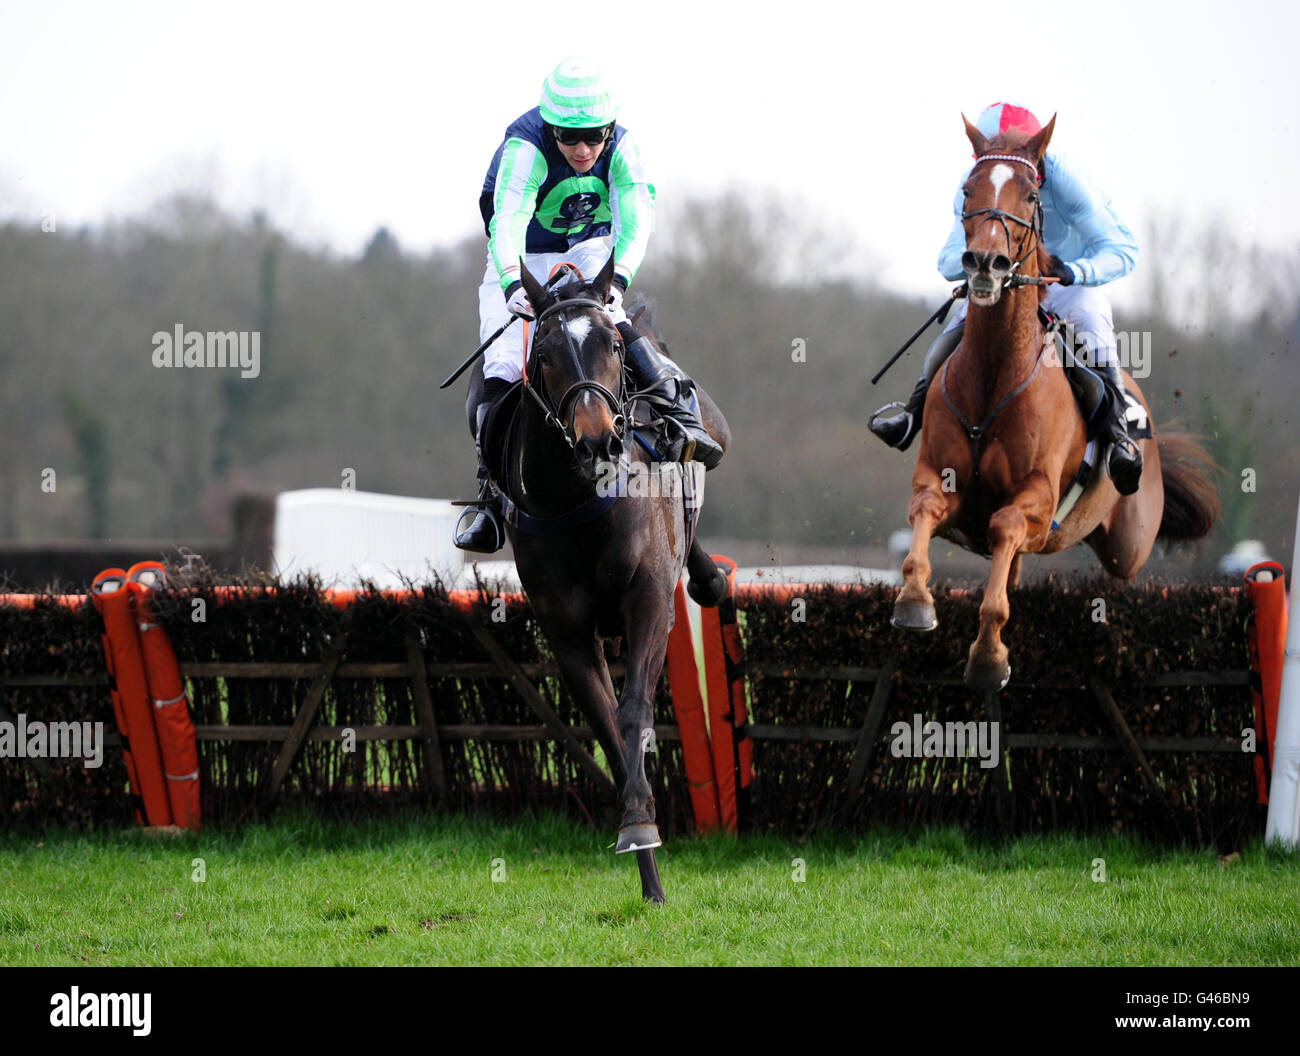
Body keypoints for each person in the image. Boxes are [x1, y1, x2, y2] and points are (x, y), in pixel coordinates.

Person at [454, 57, 722, 553]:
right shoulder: (524, 149)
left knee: (611, 320)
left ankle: (678, 413)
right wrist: (514, 283)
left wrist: (617, 279)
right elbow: (508, 222)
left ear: (609, 129)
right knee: (505, 360)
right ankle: (490, 497)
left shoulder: (623, 147)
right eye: (569, 138)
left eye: (593, 137)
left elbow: (637, 217)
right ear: (549, 128)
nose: (583, 150)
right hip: (521, 255)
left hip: (588, 245)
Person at [869, 101, 1144, 495]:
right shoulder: (980, 178)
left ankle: (1120, 438)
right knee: (957, 321)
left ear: (1037, 153)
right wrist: (976, 263)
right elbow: (948, 258)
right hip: (1001, 282)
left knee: (1093, 320)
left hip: (1067, 284)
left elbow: (1122, 249)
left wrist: (1074, 271)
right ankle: (913, 414)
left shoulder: (1068, 181)